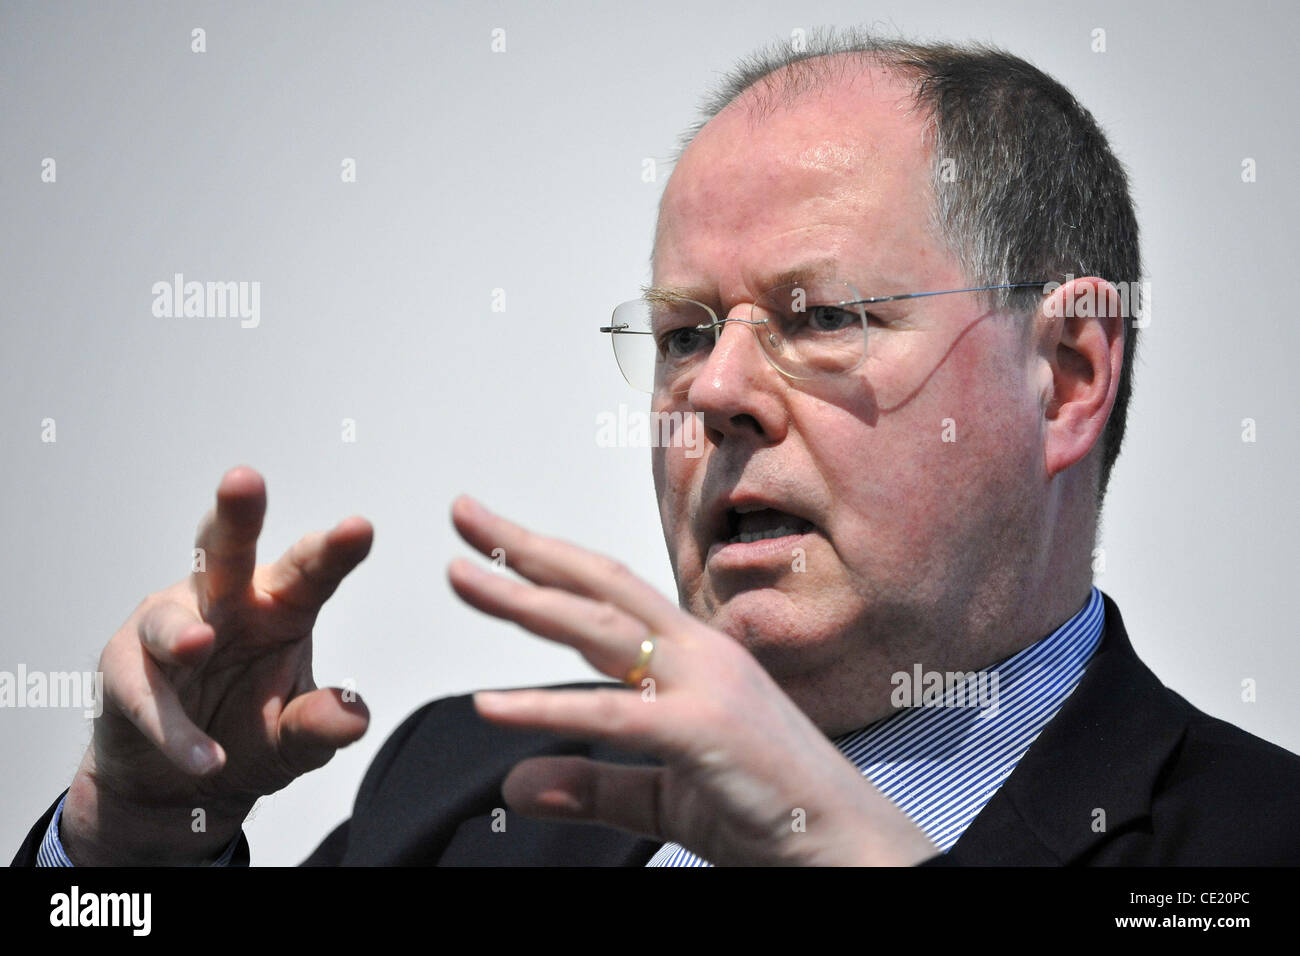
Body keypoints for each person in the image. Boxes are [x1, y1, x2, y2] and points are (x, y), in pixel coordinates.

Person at [14, 30, 1300, 868]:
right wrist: (130, 837)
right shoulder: (476, 786)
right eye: (684, 332)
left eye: (825, 318)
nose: (720, 389)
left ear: (1066, 375)